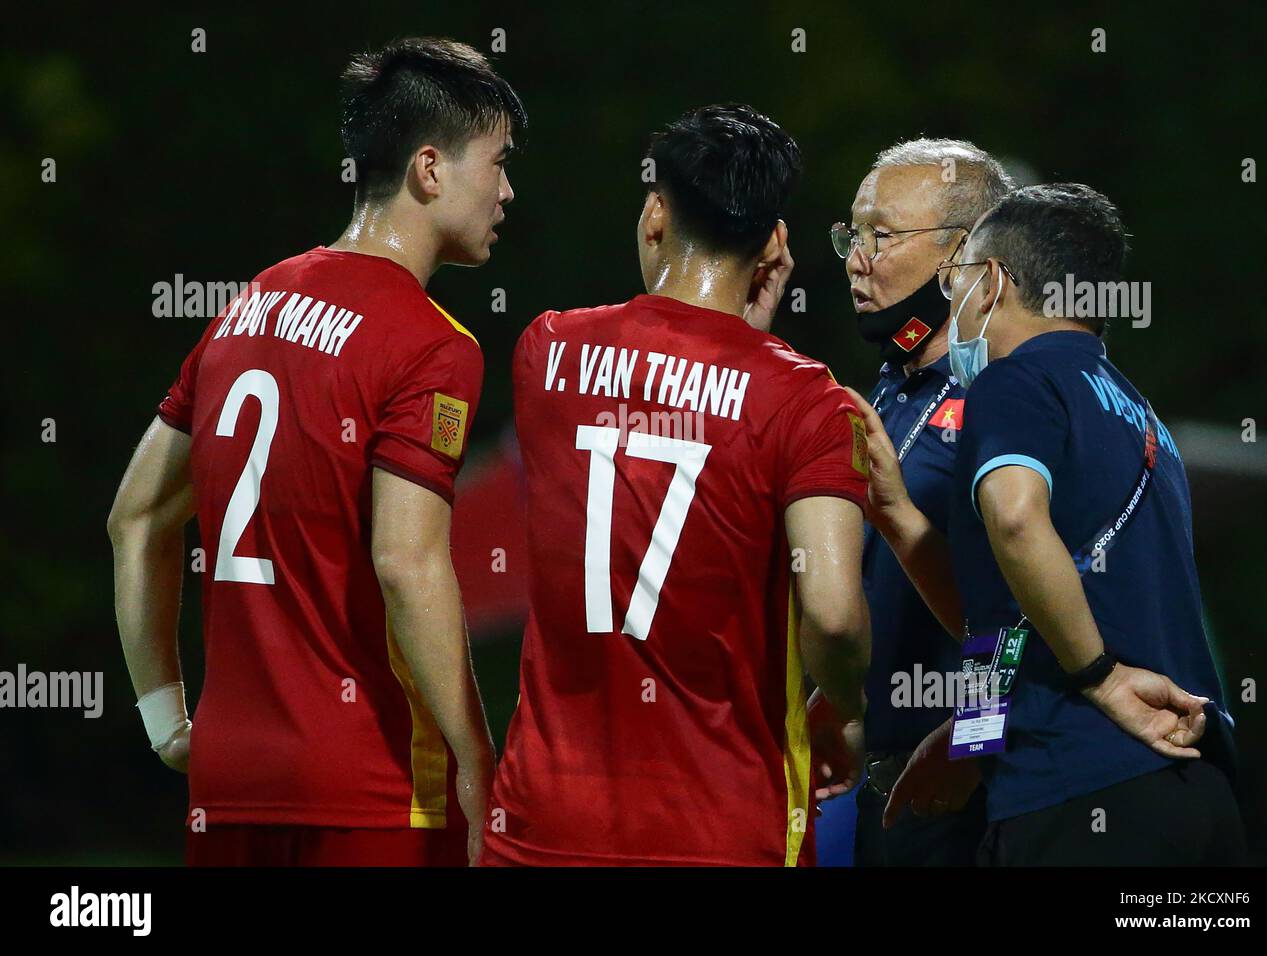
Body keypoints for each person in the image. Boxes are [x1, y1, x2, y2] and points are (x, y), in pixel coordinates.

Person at [107, 37, 525, 867]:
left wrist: (164, 718)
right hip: (372, 794)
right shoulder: (432, 343)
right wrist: (477, 758)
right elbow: (406, 564)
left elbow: (137, 516)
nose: (508, 190)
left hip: (228, 787)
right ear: (431, 169)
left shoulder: (250, 304)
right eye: (498, 162)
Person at [483, 104, 871, 866]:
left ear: (656, 212)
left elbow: (663, 419)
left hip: (542, 822)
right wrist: (849, 708)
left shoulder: (546, 351)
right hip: (721, 827)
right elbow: (829, 614)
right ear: (775, 243)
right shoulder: (807, 403)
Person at [853, 183, 1246, 865]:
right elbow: (1007, 616)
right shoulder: (1141, 416)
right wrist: (967, 744)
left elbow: (1014, 521)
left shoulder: (1014, 382)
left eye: (964, 278)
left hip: (1083, 793)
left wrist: (1099, 677)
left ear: (995, 281)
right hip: (1198, 791)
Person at [827, 139, 1013, 866]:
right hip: (892, 791)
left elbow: (1016, 605)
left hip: (970, 798)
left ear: (957, 254)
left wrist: (974, 746)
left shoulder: (1001, 393)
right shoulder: (893, 386)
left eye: (882, 233)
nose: (855, 257)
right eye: (851, 233)